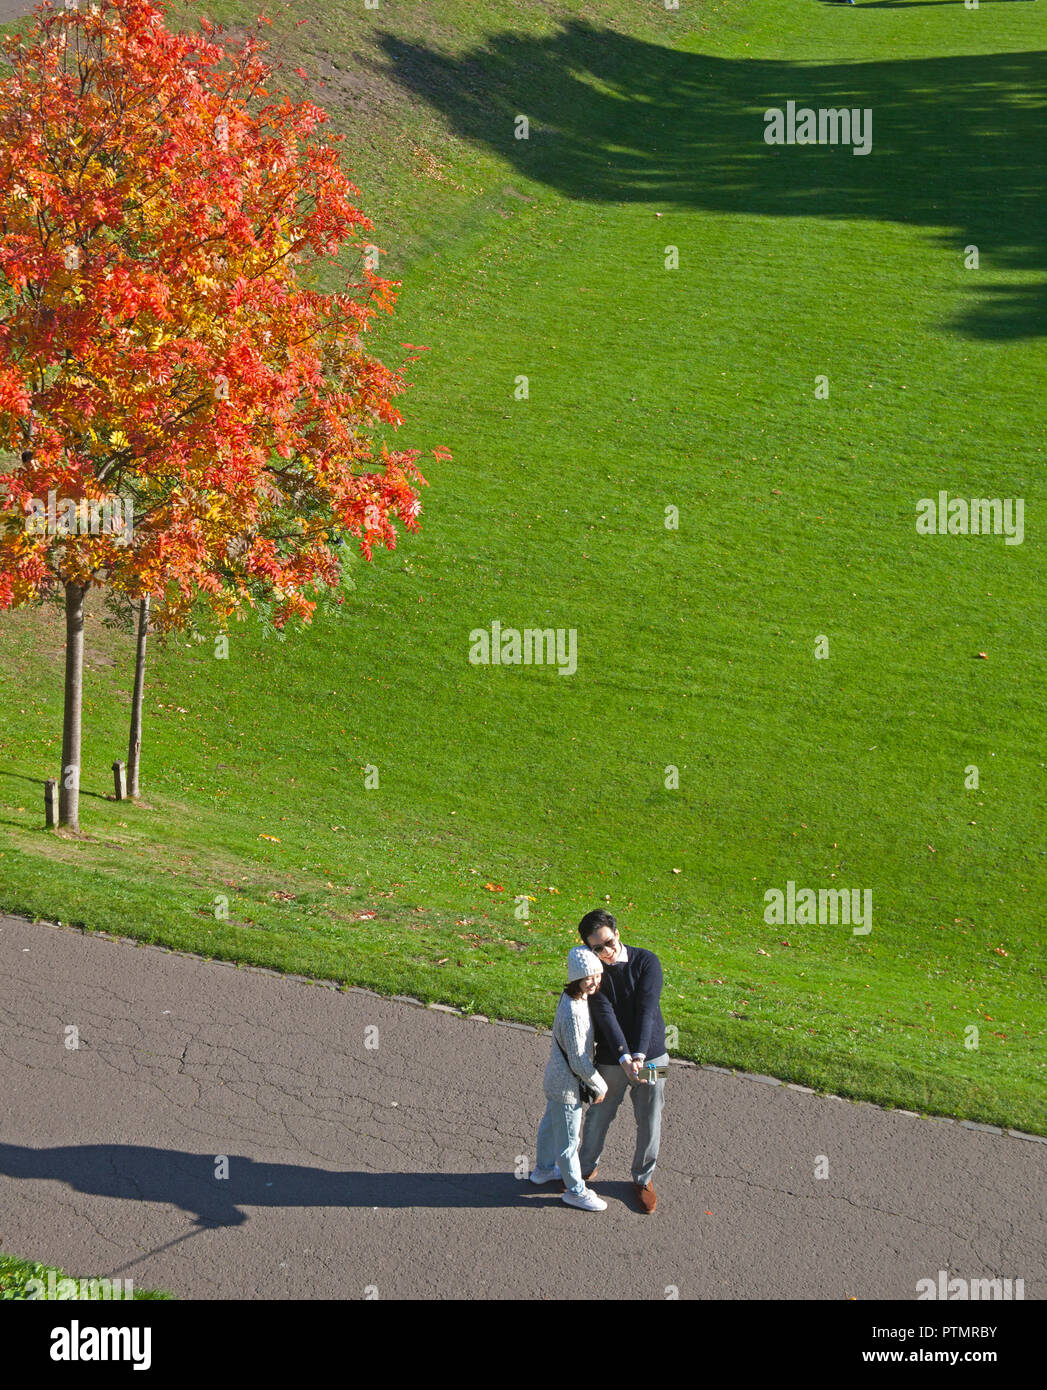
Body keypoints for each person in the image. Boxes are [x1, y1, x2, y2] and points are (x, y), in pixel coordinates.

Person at [576, 910, 668, 1214]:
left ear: (618, 933)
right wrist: (624, 1056)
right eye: (597, 949)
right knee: (599, 1113)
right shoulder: (594, 974)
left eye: (609, 943)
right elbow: (605, 1014)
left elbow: (647, 1010)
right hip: (612, 1059)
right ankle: (585, 1168)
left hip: (653, 1058)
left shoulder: (647, 961)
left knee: (650, 1116)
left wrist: (639, 1055)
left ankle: (643, 1179)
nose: (607, 953)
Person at [529, 946, 609, 1211]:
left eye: (598, 975)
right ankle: (575, 1190)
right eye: (589, 977)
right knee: (568, 1142)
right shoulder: (574, 1011)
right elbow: (578, 1060)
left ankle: (542, 1171)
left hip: (556, 1079)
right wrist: (599, 1084)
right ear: (577, 978)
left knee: (551, 1126)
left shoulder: (571, 998)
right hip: (567, 1087)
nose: (595, 982)